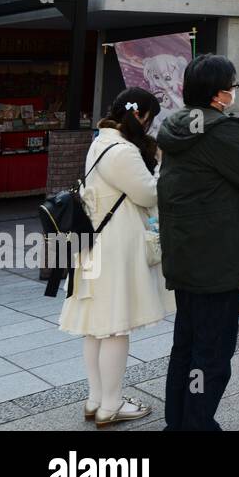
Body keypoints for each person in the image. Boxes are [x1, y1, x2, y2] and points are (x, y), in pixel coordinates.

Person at [157, 54, 239, 431]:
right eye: (232, 87)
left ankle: (178, 422)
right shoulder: (219, 132)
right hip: (217, 262)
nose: (233, 93)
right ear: (217, 94)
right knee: (211, 353)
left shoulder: (177, 126)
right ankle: (197, 424)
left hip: (186, 255)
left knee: (187, 346)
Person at [58, 88, 173, 428]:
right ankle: (111, 404)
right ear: (139, 116)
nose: (150, 124)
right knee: (115, 328)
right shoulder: (121, 150)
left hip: (94, 245)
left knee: (96, 329)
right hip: (114, 249)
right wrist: (163, 168)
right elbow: (149, 194)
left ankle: (96, 400)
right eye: (149, 116)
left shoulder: (99, 142)